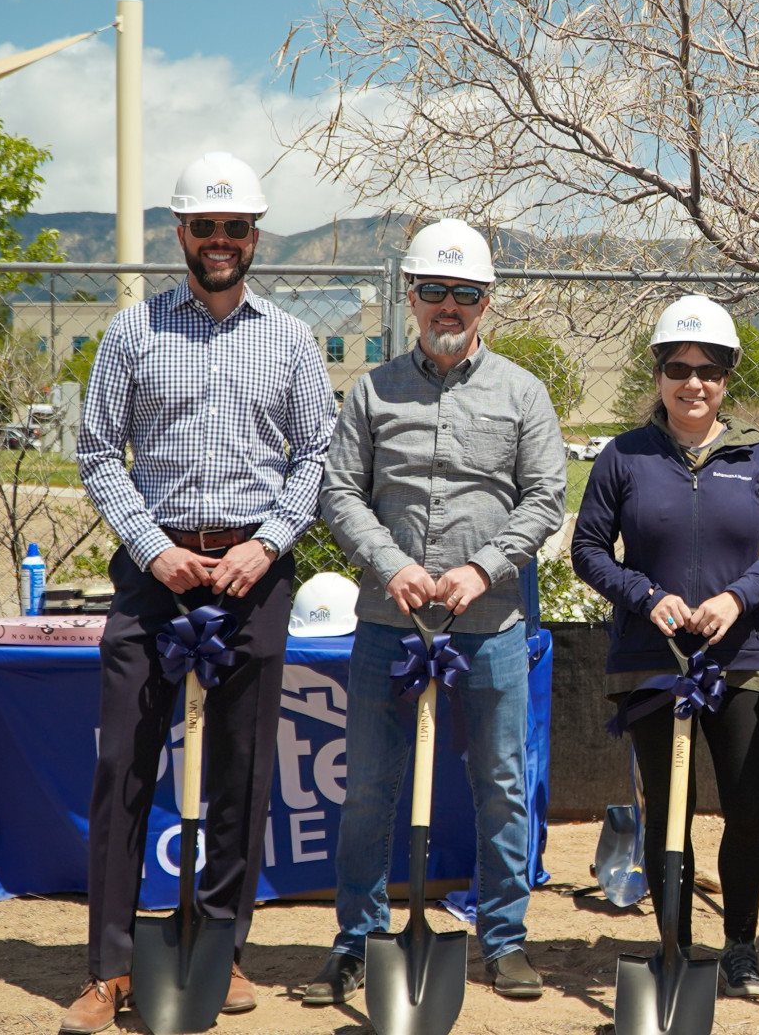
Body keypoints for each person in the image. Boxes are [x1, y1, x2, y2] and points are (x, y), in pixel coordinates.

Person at [65, 152, 336, 1035]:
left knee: (242, 771)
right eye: (204, 227)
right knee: (122, 767)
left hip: (255, 577)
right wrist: (153, 550)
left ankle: (220, 945)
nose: (220, 242)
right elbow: (100, 453)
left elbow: (314, 460)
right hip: (156, 577)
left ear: (257, 236)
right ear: (178, 233)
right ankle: (110, 968)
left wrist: (266, 547)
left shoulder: (292, 339)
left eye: (236, 228)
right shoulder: (132, 333)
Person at [309, 219, 567, 1005]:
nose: (447, 307)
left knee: (501, 783)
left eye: (464, 294)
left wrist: (482, 569)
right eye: (433, 292)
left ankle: (505, 940)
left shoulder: (523, 393)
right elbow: (339, 492)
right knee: (368, 791)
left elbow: (546, 496)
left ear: (486, 302)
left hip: (490, 627)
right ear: (410, 299)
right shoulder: (374, 391)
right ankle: (357, 942)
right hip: (389, 624)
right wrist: (394, 567)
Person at [570, 296, 759, 997]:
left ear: (728, 376)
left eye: (709, 369)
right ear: (659, 372)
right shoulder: (624, 456)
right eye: (678, 367)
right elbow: (587, 550)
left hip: (739, 659)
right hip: (651, 660)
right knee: (669, 809)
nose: (692, 382)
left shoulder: (758, 459)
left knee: (747, 806)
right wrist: (646, 595)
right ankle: (676, 944)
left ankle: (740, 945)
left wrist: (737, 597)